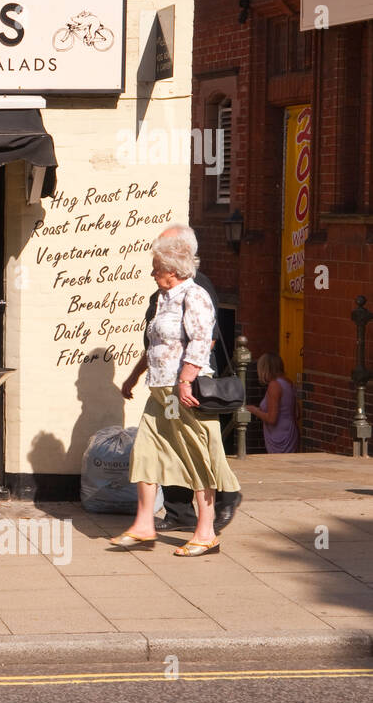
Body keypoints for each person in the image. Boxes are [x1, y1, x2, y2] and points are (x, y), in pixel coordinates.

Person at [111, 233, 242, 556]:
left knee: (198, 456)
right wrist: (133, 376)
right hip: (160, 391)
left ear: (174, 270)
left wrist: (185, 381)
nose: (153, 273)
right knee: (146, 452)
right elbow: (156, 345)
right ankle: (143, 525)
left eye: (157, 268)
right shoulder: (162, 299)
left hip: (184, 393)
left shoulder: (194, 295)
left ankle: (206, 531)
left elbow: (201, 341)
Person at [246, 353, 300, 453]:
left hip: (279, 435)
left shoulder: (274, 385)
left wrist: (254, 410)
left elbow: (272, 419)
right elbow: (297, 413)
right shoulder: (288, 382)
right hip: (290, 431)